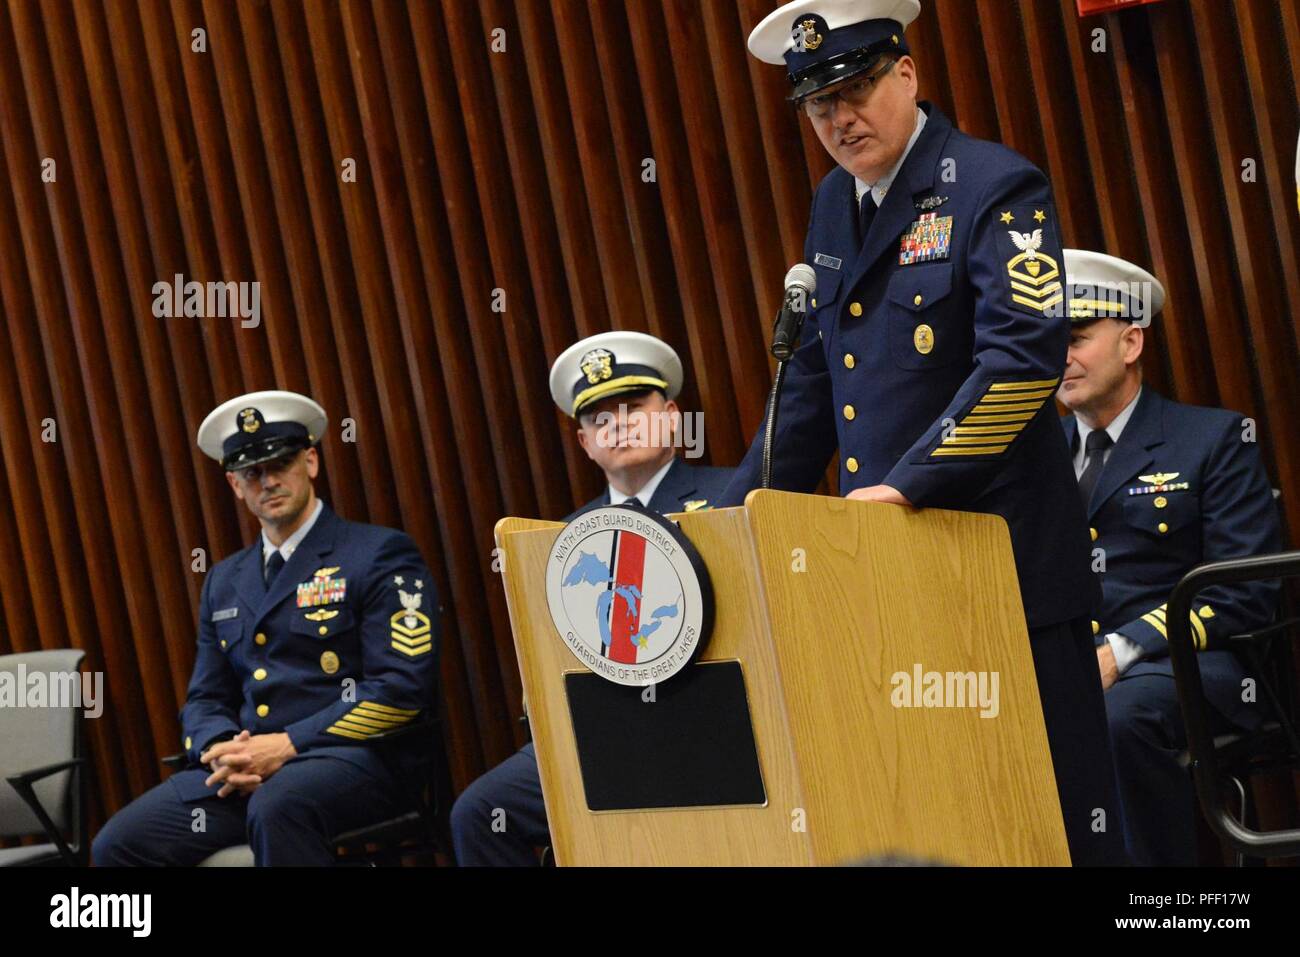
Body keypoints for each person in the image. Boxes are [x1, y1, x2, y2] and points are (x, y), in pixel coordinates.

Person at [735, 0, 1125, 863]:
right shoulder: (835, 202)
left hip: (1003, 568)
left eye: (859, 85)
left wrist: (906, 483)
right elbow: (809, 389)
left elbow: (1023, 362)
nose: (840, 116)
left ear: (907, 74)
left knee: (1059, 819)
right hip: (888, 577)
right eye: (817, 101)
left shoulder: (994, 184)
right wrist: (733, 522)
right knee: (942, 815)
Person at [92, 391, 439, 866]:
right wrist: (218, 748)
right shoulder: (225, 580)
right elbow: (205, 697)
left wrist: (288, 744)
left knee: (279, 808)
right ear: (235, 485)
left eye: (281, 462)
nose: (269, 481)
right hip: (250, 773)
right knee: (120, 843)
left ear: (311, 461)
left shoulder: (377, 553)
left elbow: (401, 689)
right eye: (252, 472)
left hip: (354, 762)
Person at [451, 331, 733, 865]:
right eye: (599, 418)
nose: (618, 424)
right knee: (480, 812)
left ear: (672, 415)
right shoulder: (559, 541)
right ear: (584, 442)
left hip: (710, 714)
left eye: (633, 407)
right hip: (598, 726)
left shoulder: (730, 500)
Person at [1057, 249, 1282, 866]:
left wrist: (1122, 648)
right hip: (1071, 663)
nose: (1060, 359)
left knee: (1117, 719)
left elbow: (1245, 593)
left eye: (1076, 338)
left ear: (1131, 342)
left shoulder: (1211, 439)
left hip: (1189, 663)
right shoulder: (1035, 458)